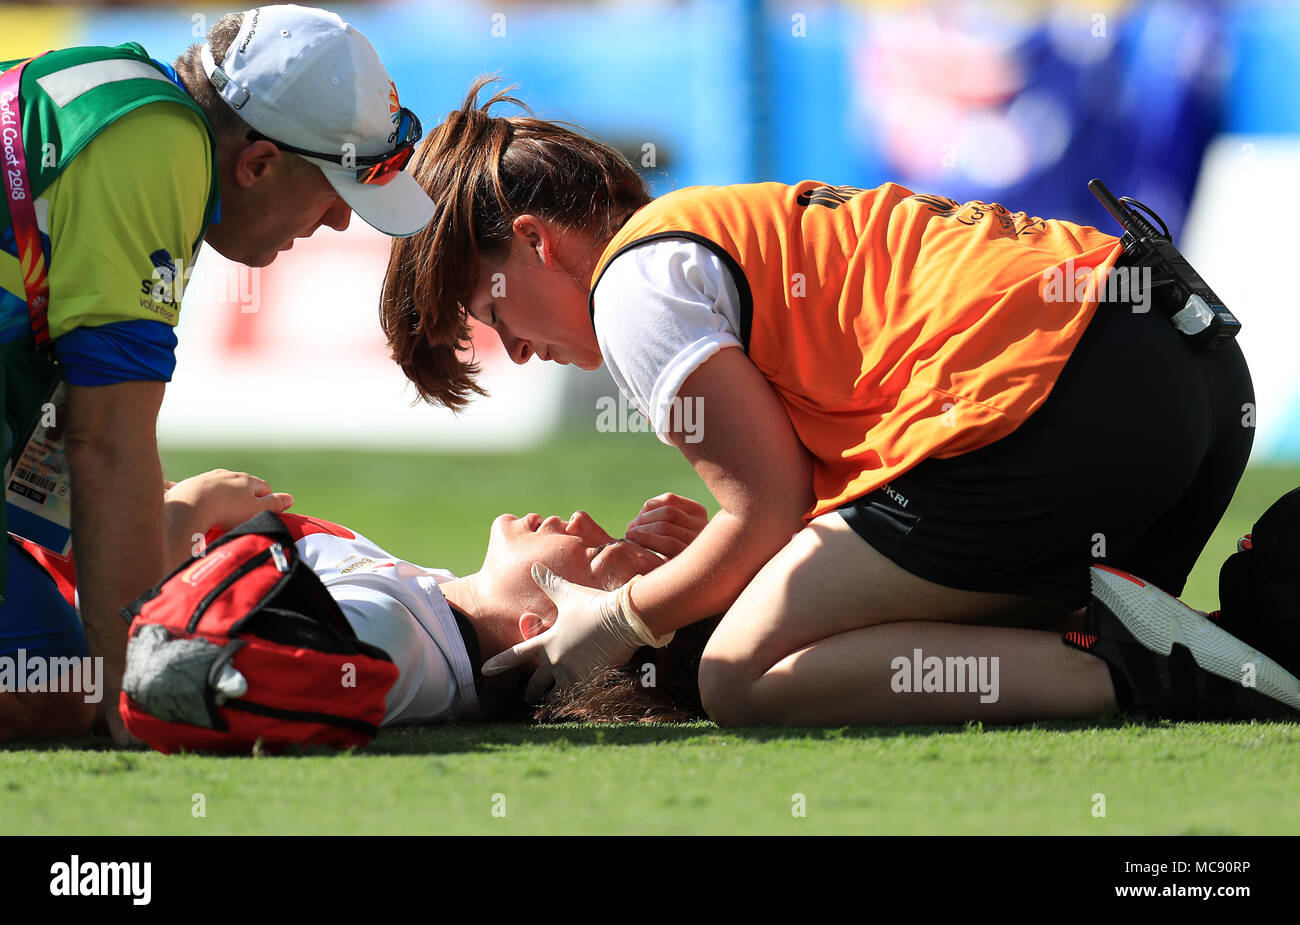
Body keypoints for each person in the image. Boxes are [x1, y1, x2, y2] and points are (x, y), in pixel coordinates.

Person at [378, 78, 1293, 726]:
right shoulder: (717, 229)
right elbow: (810, 512)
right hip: (1190, 370)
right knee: (886, 632)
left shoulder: (633, 284)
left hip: (1059, 404)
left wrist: (618, 620)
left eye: (491, 311)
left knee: (744, 676)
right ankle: (1250, 628)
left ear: (535, 241)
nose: (523, 352)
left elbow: (766, 510)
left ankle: (1159, 674)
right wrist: (714, 565)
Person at [0, 5, 433, 741]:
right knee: (66, 691)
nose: (337, 225)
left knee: (51, 679)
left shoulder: (132, 108)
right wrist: (134, 711)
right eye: (337, 192)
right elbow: (105, 443)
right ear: (259, 162)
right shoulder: (152, 143)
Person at [7, 469, 711, 737]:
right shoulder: (429, 610)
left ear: (547, 632)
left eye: (600, 551)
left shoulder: (397, 638)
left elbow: (176, 671)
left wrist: (179, 513)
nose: (586, 517)